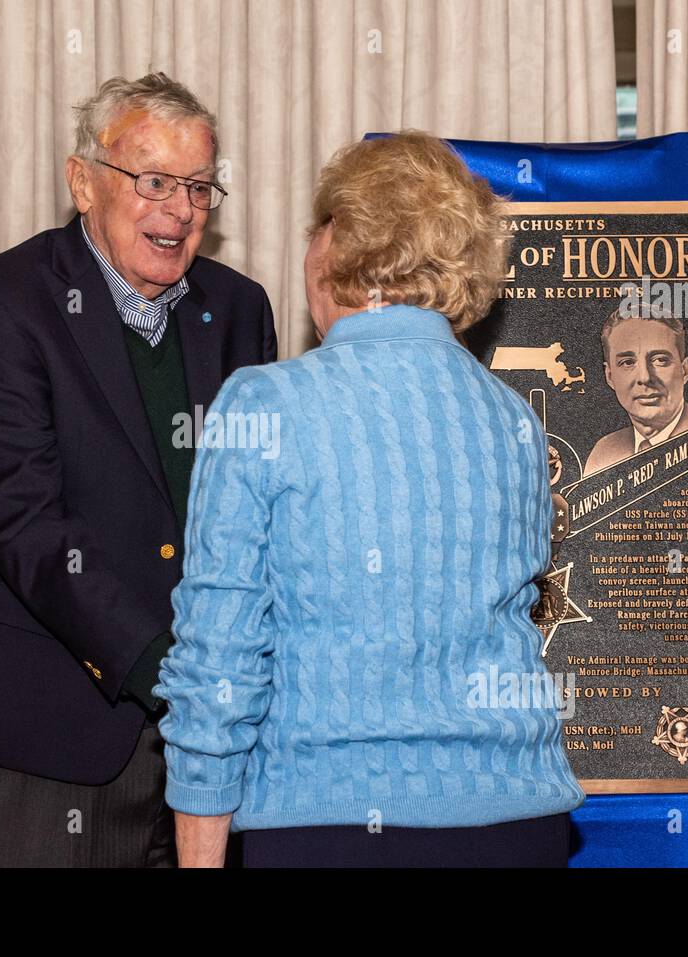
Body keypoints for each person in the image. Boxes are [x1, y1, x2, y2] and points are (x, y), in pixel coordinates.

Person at [154, 131, 585, 868]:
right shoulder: (511, 416)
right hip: (519, 821)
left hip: (332, 826)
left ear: (337, 246)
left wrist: (198, 852)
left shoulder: (265, 404)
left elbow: (218, 660)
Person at [0, 73, 277, 867]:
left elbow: (261, 514)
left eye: (197, 187)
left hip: (213, 749)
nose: (180, 209)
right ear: (83, 181)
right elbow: (22, 522)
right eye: (153, 180)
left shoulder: (241, 310)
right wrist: (164, 668)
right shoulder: (2, 302)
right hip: (49, 734)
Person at [583, 303, 688, 476]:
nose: (645, 377)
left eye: (660, 360)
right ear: (610, 376)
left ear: (684, 370)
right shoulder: (603, 454)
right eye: (627, 362)